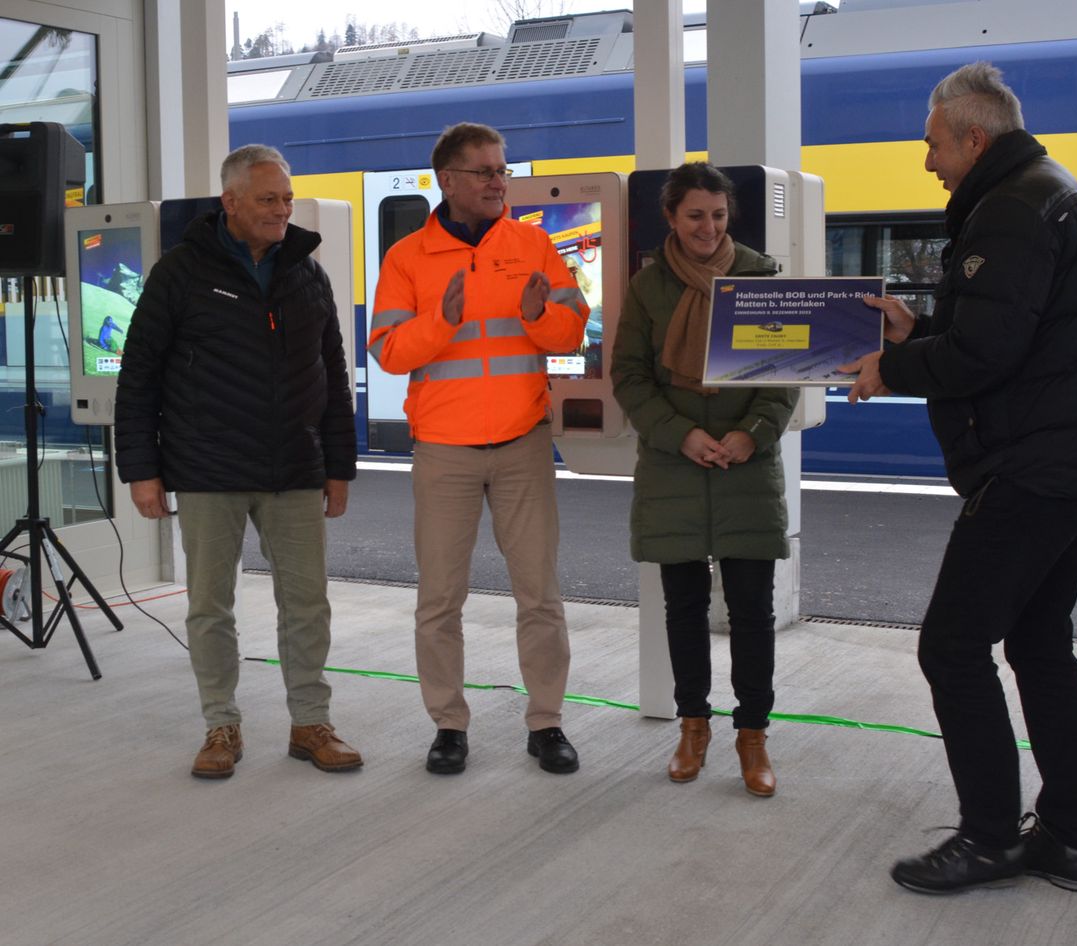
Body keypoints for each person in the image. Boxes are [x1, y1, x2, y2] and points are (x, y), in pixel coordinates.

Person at [840, 63, 1077, 893]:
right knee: (1041, 646)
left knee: (953, 646)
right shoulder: (1049, 192)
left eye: (933, 143)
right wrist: (918, 324)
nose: (926, 160)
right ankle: (1067, 840)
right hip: (1075, 463)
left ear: (975, 138)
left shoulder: (1008, 209)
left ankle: (992, 837)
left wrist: (893, 365)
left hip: (1034, 468)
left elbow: (986, 354)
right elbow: (1016, 337)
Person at [115, 144, 361, 780]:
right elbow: (138, 374)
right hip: (206, 468)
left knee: (308, 604)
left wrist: (339, 466)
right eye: (268, 199)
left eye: (286, 198)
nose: (283, 210)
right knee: (210, 606)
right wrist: (142, 469)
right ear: (230, 202)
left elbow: (332, 375)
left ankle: (311, 723)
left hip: (295, 470)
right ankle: (220, 724)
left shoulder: (308, 273)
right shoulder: (180, 273)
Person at [369, 122, 588, 776]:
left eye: (502, 170)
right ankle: (448, 725)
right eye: (485, 172)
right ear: (448, 180)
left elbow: (571, 328)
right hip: (444, 451)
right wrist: (445, 318)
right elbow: (387, 351)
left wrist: (535, 315)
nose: (499, 182)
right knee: (439, 599)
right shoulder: (409, 257)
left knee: (540, 595)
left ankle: (546, 723)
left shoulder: (534, 243)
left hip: (522, 446)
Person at [612, 162, 798, 798]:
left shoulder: (762, 276)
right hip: (674, 464)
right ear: (671, 217)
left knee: (752, 613)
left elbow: (783, 371)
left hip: (747, 464)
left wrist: (754, 433)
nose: (707, 227)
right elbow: (630, 376)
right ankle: (694, 727)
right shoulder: (648, 287)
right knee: (684, 611)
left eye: (718, 215)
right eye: (695, 215)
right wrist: (680, 434)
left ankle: (753, 737)